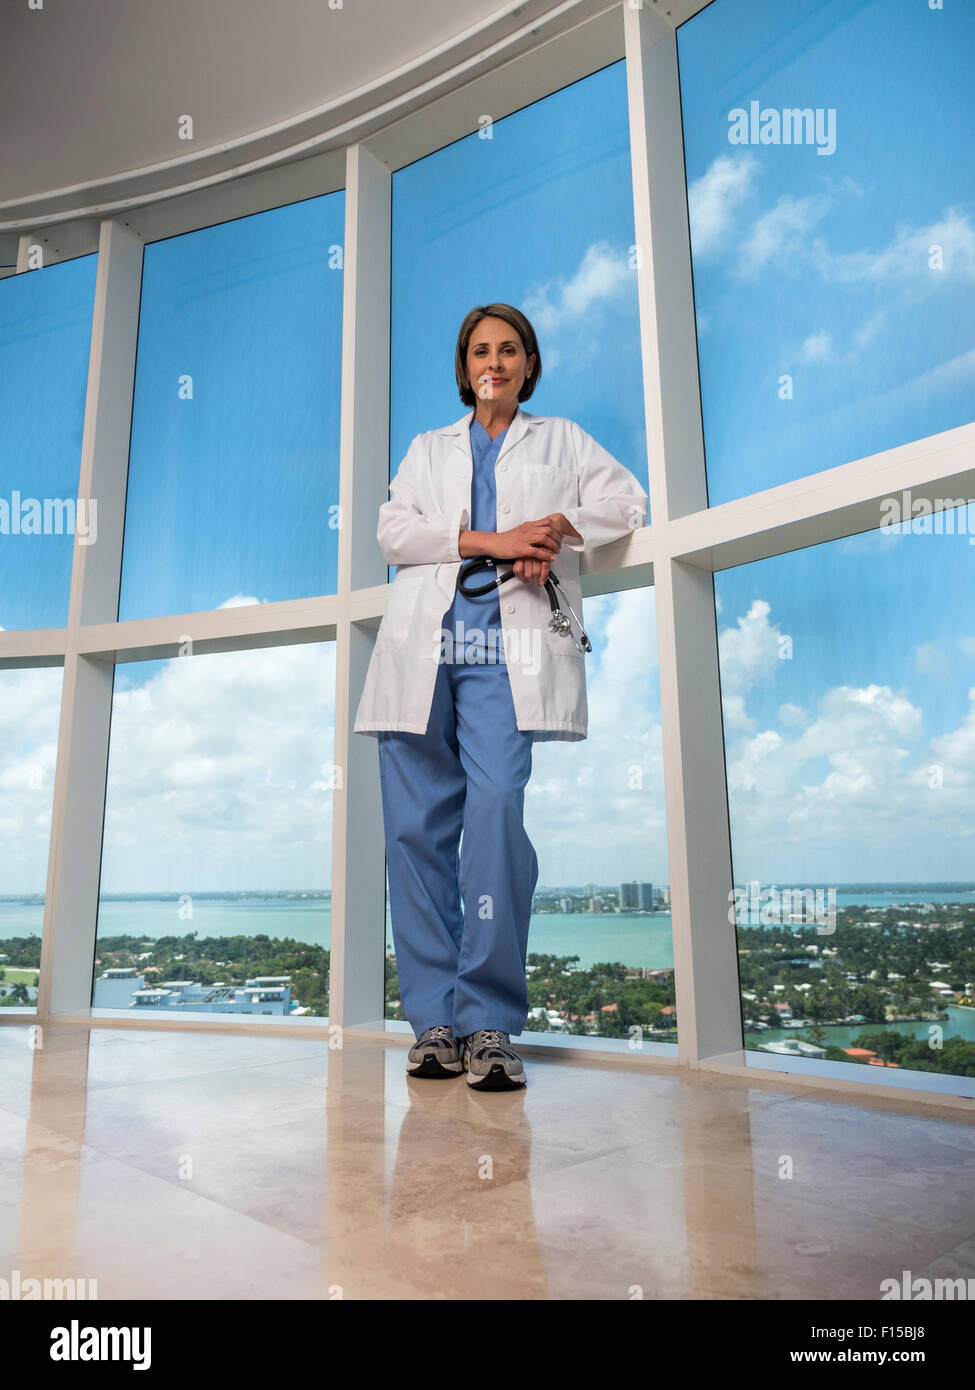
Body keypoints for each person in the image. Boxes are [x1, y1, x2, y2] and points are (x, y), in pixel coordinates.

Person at [354, 303, 648, 1089]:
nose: (495, 361)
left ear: (526, 363)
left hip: (502, 651)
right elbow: (393, 534)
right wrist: (493, 541)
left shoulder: (562, 440)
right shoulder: (428, 449)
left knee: (493, 814)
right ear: (464, 368)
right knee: (414, 836)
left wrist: (553, 526)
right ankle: (434, 1024)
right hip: (426, 648)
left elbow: (627, 503)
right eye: (480, 350)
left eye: (508, 349)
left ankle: (488, 1025)